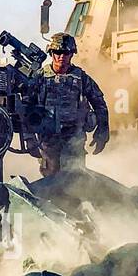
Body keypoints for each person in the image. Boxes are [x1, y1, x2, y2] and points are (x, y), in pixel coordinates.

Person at [28, 32, 110, 178]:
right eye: (58, 52)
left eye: (66, 53)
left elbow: (99, 103)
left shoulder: (81, 78)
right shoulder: (39, 77)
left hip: (74, 138)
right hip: (48, 139)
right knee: (50, 182)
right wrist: (29, 139)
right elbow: (26, 108)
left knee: (76, 179)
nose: (62, 57)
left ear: (72, 54)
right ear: (51, 53)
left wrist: (102, 130)